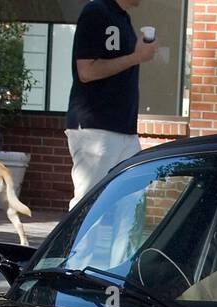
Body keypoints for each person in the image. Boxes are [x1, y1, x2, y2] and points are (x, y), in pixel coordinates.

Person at [65, 0, 158, 208]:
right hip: (95, 127)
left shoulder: (123, 17)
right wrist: (136, 57)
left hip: (125, 129)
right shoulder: (96, 11)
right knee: (88, 205)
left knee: (130, 205)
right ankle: (73, 242)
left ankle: (120, 243)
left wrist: (137, 54)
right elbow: (86, 71)